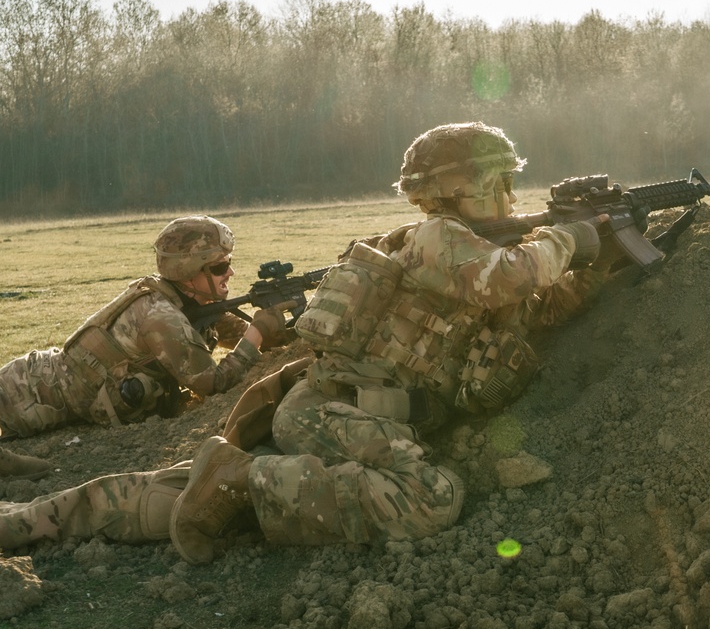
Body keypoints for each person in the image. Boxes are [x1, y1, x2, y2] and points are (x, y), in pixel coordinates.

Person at [0, 122, 617, 561]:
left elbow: (535, 302)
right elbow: (507, 278)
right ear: (469, 187)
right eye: (503, 182)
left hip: (342, 411)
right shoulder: (439, 238)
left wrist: (601, 259)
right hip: (336, 409)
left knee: (184, 494)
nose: (513, 197)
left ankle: (28, 522)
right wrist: (573, 240)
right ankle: (241, 478)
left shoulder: (476, 252)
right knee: (429, 496)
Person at [0, 215, 293, 480]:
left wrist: (271, 332)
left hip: (40, 383)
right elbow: (213, 382)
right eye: (220, 267)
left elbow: (238, 334)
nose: (229, 273)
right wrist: (257, 332)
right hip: (28, 391)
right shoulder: (161, 316)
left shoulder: (186, 302)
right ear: (190, 271)